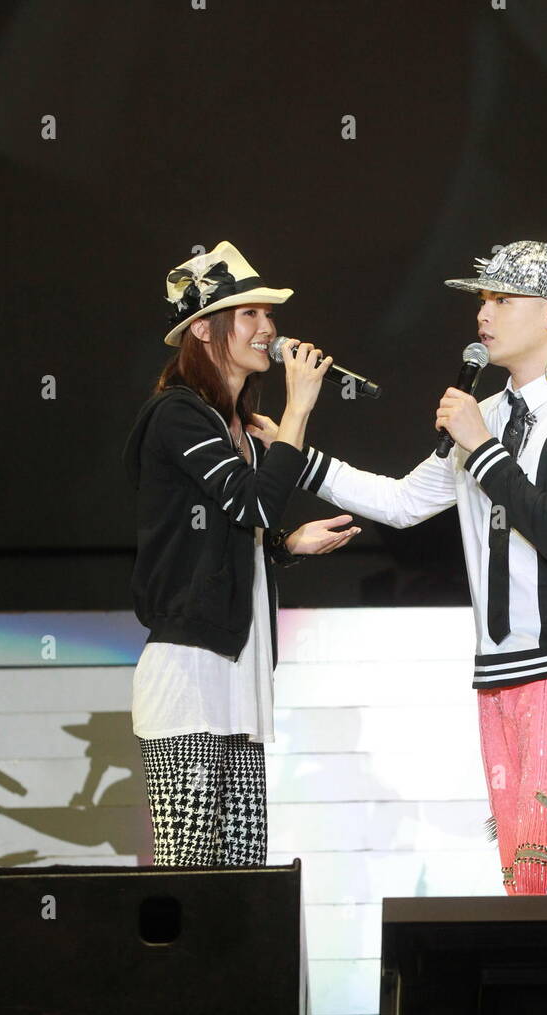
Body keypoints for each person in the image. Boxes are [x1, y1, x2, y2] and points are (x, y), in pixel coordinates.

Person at [264, 240, 547, 898]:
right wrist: (296, 457)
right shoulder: (484, 415)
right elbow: (403, 504)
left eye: (500, 300)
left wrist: (480, 446)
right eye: (481, 301)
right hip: (495, 675)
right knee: (520, 880)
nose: (482, 316)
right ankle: (519, 1004)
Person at [122, 241, 359, 867]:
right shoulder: (177, 415)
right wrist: (298, 410)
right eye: (249, 315)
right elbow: (250, 505)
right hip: (190, 671)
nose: (268, 329)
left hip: (240, 665)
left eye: (268, 315)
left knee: (245, 877)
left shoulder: (236, 426)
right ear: (204, 328)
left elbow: (234, 529)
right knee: (195, 874)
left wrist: (285, 545)